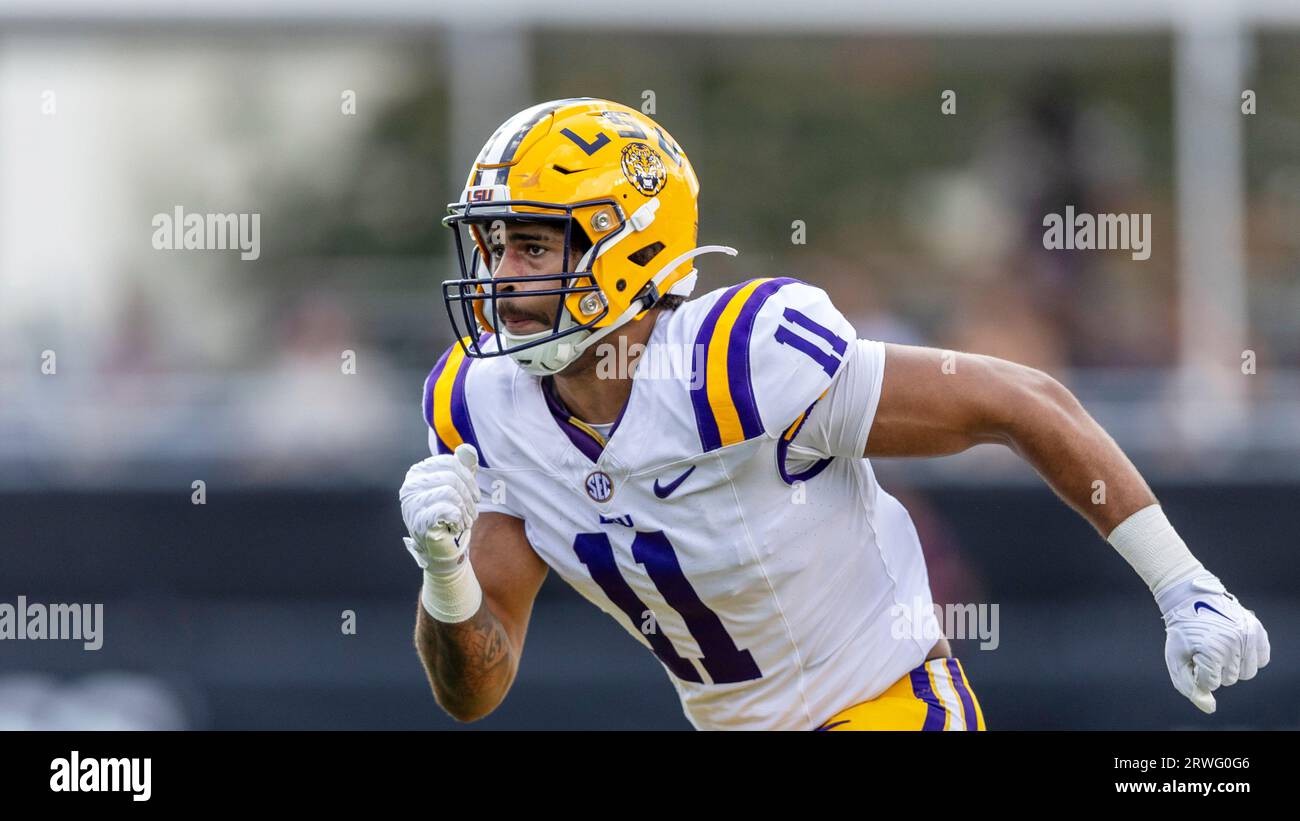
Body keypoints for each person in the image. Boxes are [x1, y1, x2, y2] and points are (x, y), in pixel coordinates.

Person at [398, 98, 1269, 730]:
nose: (502, 274)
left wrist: (1183, 584)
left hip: (884, 707)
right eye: (493, 243)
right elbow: (474, 691)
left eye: (532, 243)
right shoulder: (479, 403)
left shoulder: (738, 360)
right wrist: (446, 574)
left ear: (628, 248)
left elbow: (1019, 400)